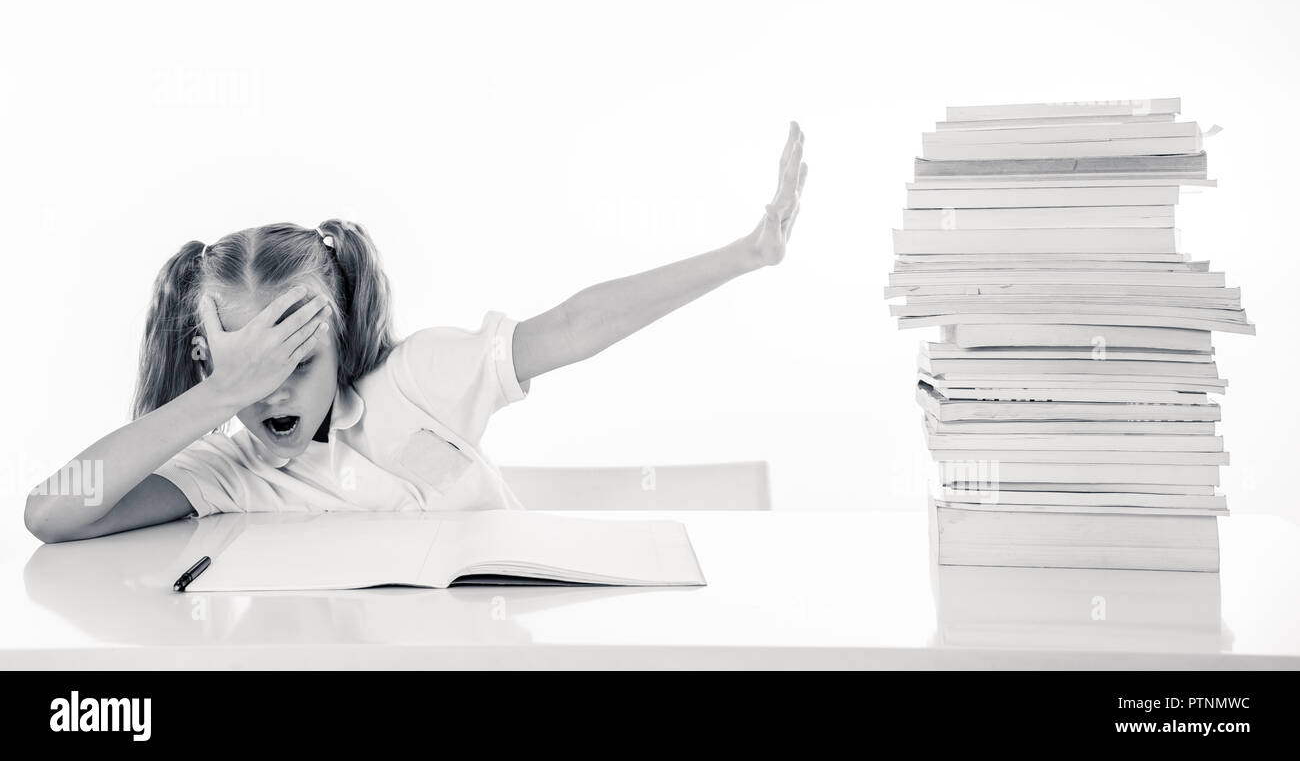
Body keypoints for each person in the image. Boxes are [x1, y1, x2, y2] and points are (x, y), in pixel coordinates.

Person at [25, 123, 806, 543]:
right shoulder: (230, 470)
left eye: (295, 357)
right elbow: (51, 513)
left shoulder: (417, 379)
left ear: (339, 335)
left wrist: (747, 253)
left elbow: (573, 323)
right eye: (246, 366)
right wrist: (219, 395)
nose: (273, 392)